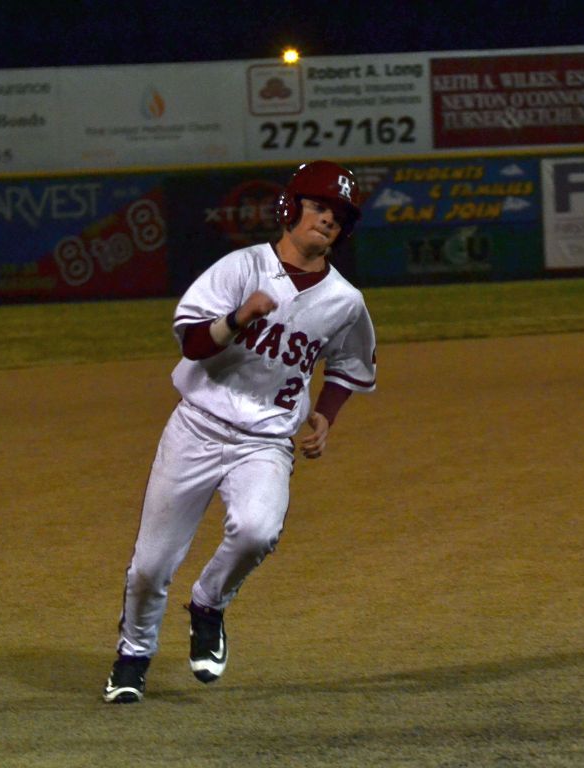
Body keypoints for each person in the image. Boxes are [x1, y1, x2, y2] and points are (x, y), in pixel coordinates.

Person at [103, 160, 377, 704]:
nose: (329, 220)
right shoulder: (240, 268)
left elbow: (350, 366)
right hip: (197, 428)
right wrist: (238, 319)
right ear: (290, 208)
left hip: (267, 440)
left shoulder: (346, 300)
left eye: (339, 215)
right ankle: (133, 655)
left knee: (256, 531)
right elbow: (192, 343)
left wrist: (324, 414)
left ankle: (208, 604)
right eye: (320, 206)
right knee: (151, 565)